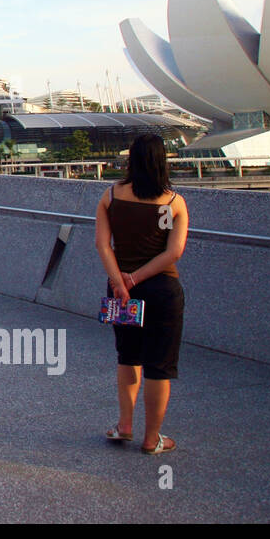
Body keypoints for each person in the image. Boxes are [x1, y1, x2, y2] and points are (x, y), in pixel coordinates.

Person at [95, 133, 188, 455]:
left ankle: (125, 425)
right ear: (162, 161)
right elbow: (174, 253)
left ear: (130, 159)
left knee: (128, 356)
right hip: (162, 290)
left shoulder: (110, 196)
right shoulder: (174, 203)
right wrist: (135, 277)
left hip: (120, 291)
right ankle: (152, 439)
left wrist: (120, 283)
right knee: (159, 367)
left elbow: (102, 245)